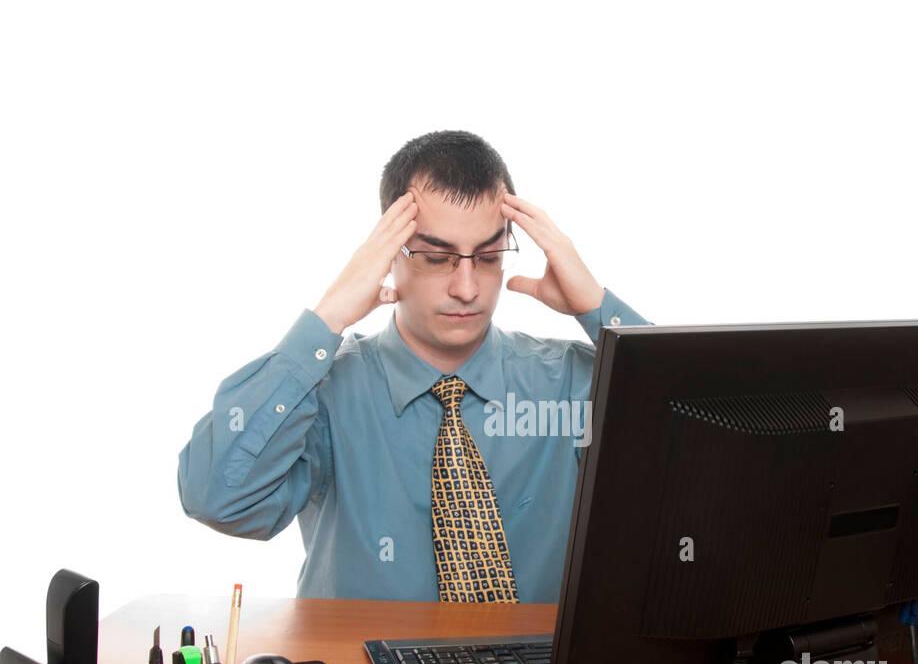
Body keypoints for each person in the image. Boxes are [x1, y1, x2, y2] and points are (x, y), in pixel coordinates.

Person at [178, 130, 649, 602]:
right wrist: (328, 317)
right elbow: (218, 498)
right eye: (436, 257)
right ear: (389, 252)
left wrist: (599, 308)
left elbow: (701, 468)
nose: (467, 288)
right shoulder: (324, 392)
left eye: (487, 257)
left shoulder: (569, 382)